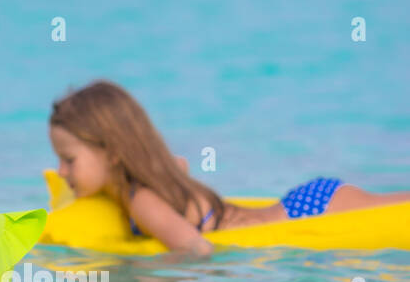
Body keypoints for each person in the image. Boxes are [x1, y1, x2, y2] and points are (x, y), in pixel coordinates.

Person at [48, 80, 410, 256]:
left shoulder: (140, 199)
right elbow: (179, 166)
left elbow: (197, 250)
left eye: (70, 160)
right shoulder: (155, 177)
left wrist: (135, 271)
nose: (61, 171)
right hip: (307, 201)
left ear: (112, 153)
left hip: (309, 214)